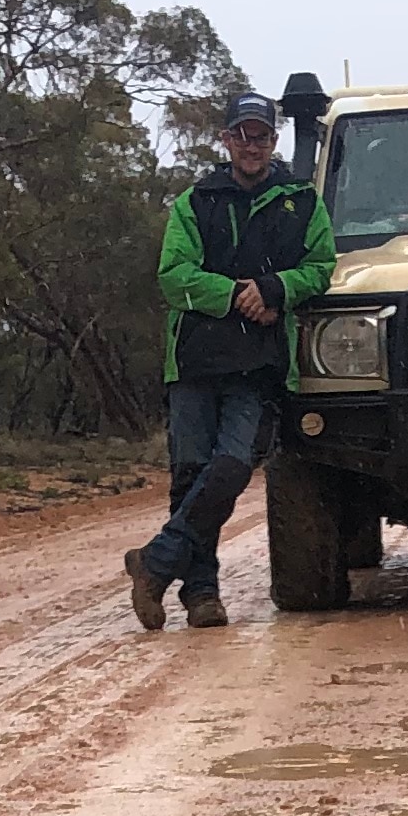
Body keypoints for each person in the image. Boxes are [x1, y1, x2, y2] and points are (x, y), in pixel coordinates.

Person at [125, 91, 333, 630]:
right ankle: (201, 595)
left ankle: (155, 562)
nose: (251, 146)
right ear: (225, 140)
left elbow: (321, 266)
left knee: (232, 466)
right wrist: (238, 296)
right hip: (194, 361)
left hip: (262, 364)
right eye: (241, 135)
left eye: (260, 135)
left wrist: (275, 288)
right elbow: (174, 277)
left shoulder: (302, 202)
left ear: (273, 140)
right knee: (190, 473)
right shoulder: (195, 202)